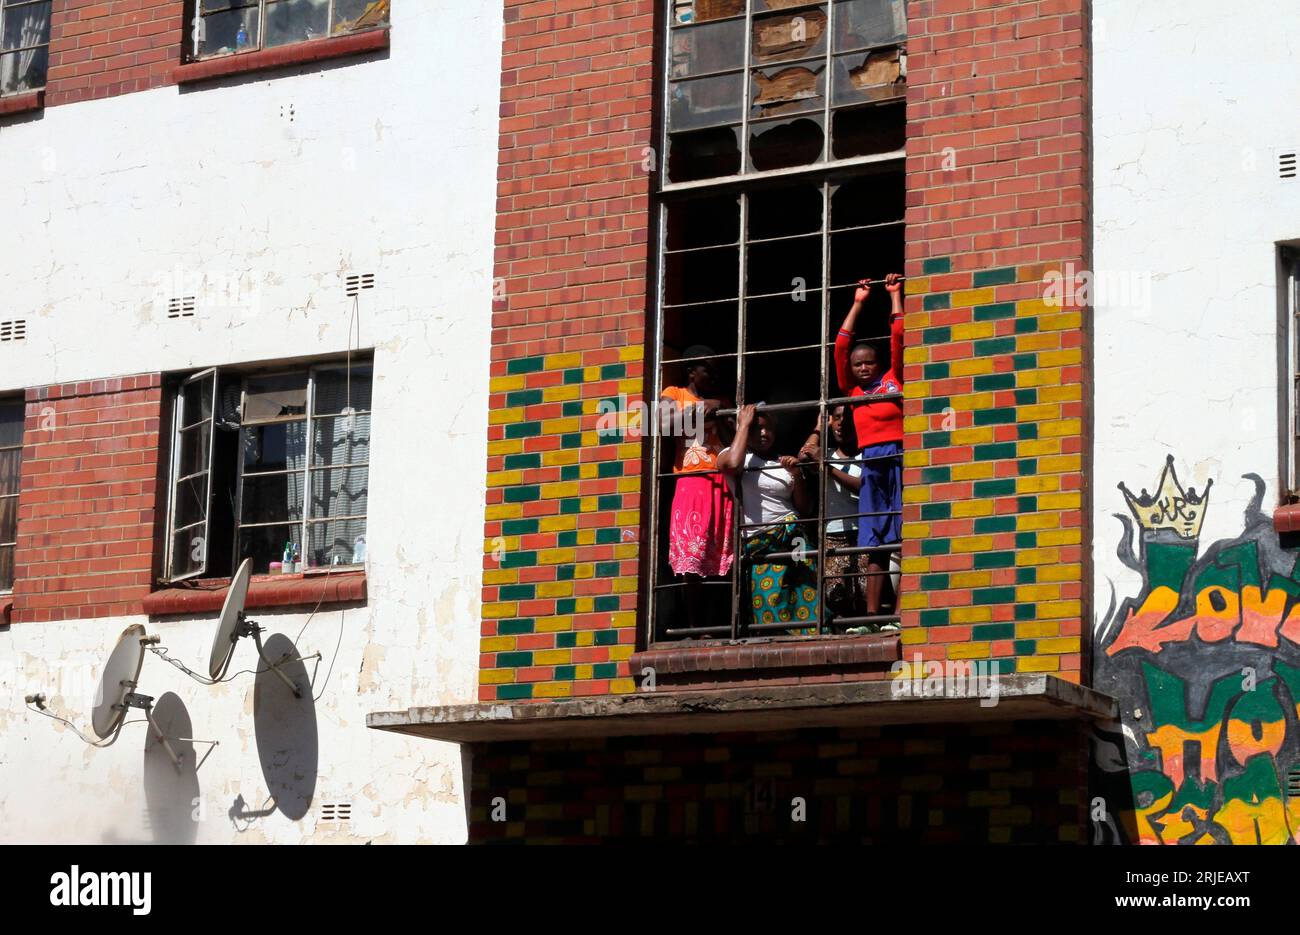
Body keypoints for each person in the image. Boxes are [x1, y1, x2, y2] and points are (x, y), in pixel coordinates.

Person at [834, 272, 904, 625]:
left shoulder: (893, 379)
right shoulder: (853, 392)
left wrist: (894, 296)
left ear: (879, 365)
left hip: (900, 460)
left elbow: (899, 337)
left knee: (904, 536)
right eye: (858, 364)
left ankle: (901, 614)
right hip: (872, 463)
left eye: (869, 363)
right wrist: (858, 302)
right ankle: (872, 616)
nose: (863, 367)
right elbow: (841, 345)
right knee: (875, 541)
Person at [718, 404, 819, 629]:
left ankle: (807, 640)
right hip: (760, 541)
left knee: (803, 586)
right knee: (768, 597)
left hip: (794, 536)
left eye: (768, 428)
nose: (764, 434)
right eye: (756, 428)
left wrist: (796, 475)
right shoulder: (733, 456)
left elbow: (805, 509)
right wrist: (743, 424)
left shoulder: (781, 463)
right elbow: (733, 465)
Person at [661, 346, 733, 630]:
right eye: (708, 369)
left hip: (720, 482)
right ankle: (693, 626)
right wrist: (702, 409)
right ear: (691, 370)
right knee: (692, 560)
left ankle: (714, 625)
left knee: (718, 559)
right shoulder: (674, 394)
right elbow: (663, 424)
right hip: (691, 483)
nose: (713, 376)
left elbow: (732, 439)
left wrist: (723, 416)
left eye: (716, 371)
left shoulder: (722, 400)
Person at [800, 404, 866, 621]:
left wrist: (826, 465)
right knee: (835, 594)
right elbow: (803, 456)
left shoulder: (866, 456)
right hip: (833, 533)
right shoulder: (826, 454)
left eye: (847, 418)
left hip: (862, 532)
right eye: (836, 418)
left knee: (862, 592)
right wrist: (819, 428)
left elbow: (862, 487)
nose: (841, 423)